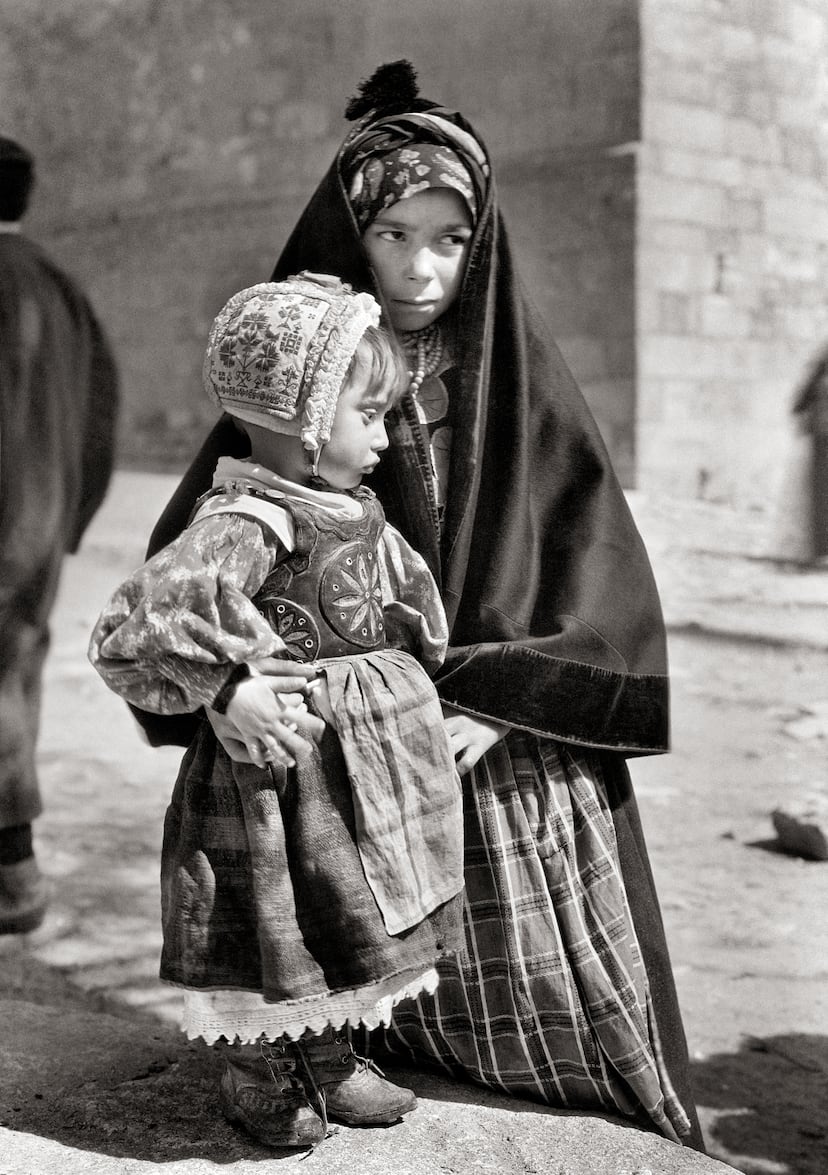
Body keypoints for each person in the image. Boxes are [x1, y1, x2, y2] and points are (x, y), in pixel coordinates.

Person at [133, 63, 704, 1148]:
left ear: (481, 236)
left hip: (488, 734)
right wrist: (230, 679)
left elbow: (594, 563)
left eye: (448, 237)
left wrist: (511, 694)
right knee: (294, 905)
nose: (422, 266)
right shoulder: (311, 367)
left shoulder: (519, 381)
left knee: (539, 994)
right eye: (394, 234)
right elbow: (189, 564)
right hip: (334, 736)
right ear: (354, 230)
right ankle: (297, 1055)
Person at [88, 272, 465, 1150]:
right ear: (301, 420)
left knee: (339, 903)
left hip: (353, 761)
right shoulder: (250, 518)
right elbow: (137, 627)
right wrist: (227, 685)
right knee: (273, 903)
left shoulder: (348, 507)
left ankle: (327, 1050)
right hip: (280, 765)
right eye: (366, 416)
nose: (383, 437)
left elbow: (408, 598)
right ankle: (260, 1064)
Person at [0, 136, 119, 935]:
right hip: (37, 522)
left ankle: (14, 875)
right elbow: (102, 407)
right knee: (15, 678)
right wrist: (68, 515)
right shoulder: (57, 281)